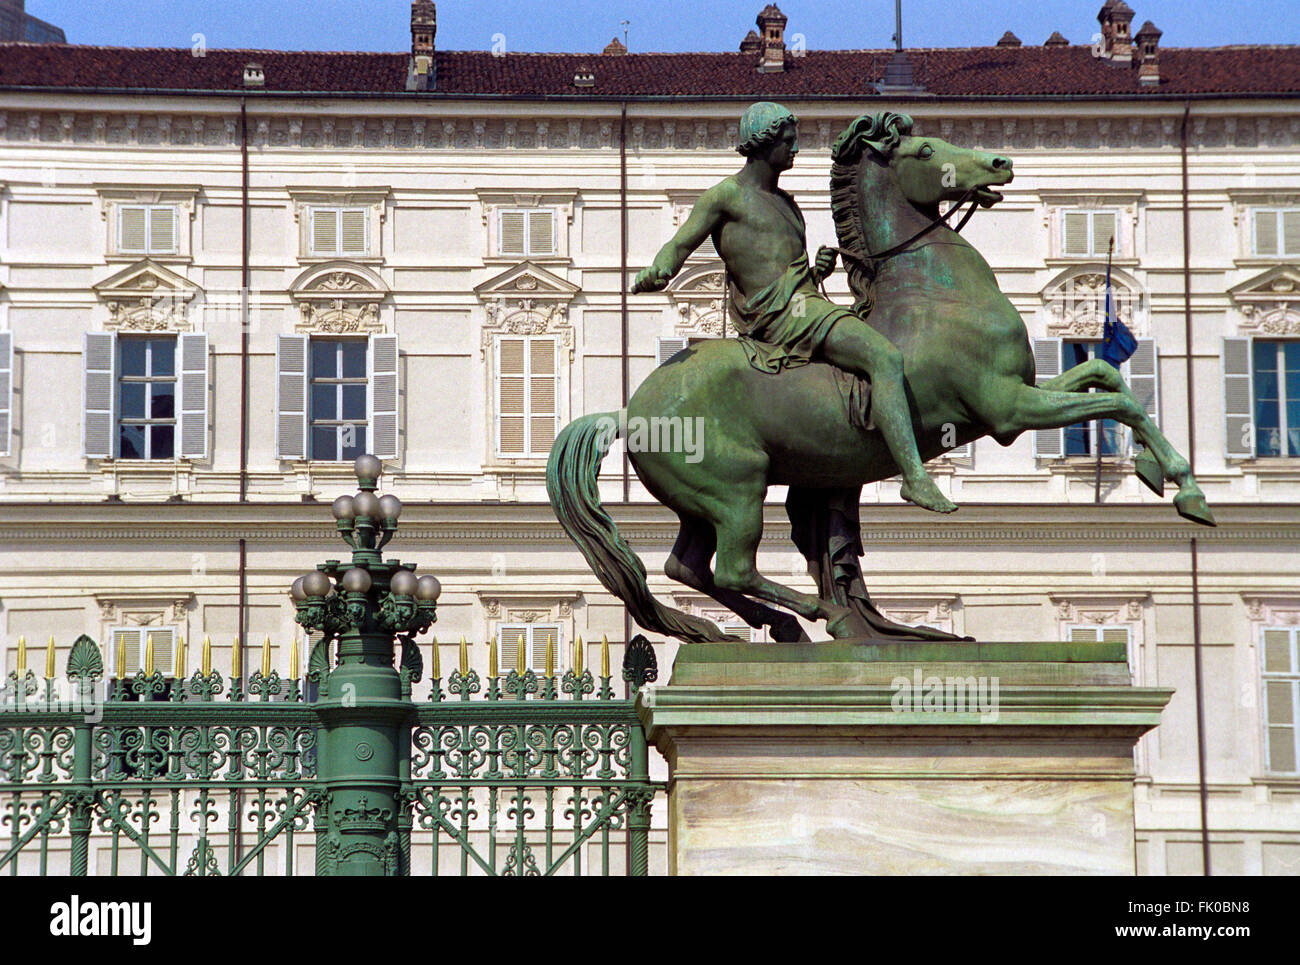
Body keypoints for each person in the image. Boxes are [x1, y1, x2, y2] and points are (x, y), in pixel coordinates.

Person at [631, 101, 955, 513]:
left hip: (805, 303)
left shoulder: (786, 202)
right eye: (788, 141)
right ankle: (914, 477)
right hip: (782, 316)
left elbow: (779, 266)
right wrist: (660, 270)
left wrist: (816, 273)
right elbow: (680, 243)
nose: (795, 148)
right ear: (763, 143)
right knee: (885, 357)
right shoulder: (725, 196)